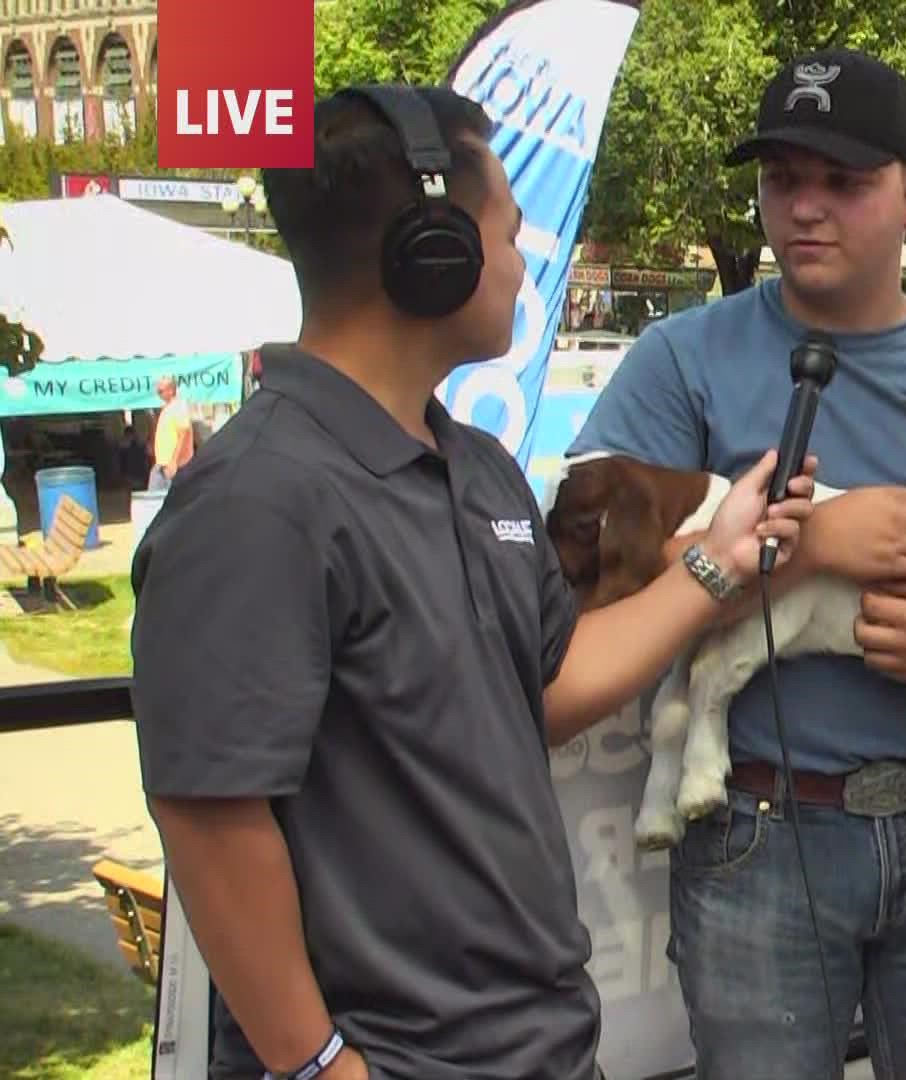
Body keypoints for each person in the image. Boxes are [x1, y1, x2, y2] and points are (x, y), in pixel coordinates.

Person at [129, 85, 814, 1080]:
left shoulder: (479, 468)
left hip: (536, 1047)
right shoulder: (257, 502)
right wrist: (317, 1062)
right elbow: (209, 814)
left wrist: (721, 560)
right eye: (508, 233)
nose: (525, 262)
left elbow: (546, 687)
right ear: (431, 249)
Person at [568, 48, 906, 1079]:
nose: (805, 209)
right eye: (782, 180)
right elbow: (597, 584)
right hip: (754, 835)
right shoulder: (679, 362)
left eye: (845, 182)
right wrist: (810, 540)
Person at [148, 375, 194, 491]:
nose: (158, 394)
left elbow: (183, 434)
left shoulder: (179, 407)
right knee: (153, 502)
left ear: (171, 390)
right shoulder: (166, 408)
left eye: (161, 391)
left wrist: (174, 462)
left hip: (173, 466)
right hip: (162, 464)